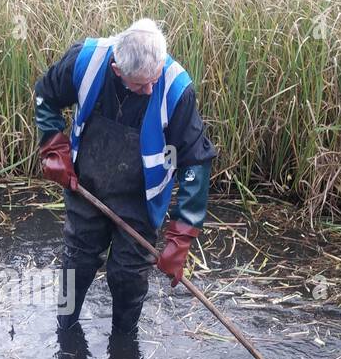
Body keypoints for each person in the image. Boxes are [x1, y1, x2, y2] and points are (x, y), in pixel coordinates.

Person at [34, 18, 216, 336]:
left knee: (127, 276)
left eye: (153, 80)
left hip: (141, 199)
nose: (150, 90)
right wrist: (53, 145)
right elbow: (45, 95)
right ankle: (64, 329)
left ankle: (124, 343)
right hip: (86, 186)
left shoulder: (176, 87)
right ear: (117, 70)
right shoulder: (85, 61)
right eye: (140, 85)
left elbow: (195, 163)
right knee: (76, 263)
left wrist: (181, 235)